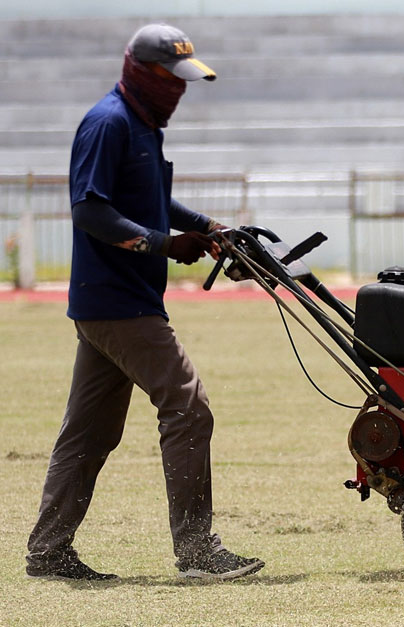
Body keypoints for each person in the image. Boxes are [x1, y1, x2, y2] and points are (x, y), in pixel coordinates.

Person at [25, 23, 263, 582]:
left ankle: (48, 553)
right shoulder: (108, 124)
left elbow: (152, 198)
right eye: (171, 80)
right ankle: (198, 553)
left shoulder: (142, 126)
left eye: (184, 83)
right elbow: (90, 209)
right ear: (141, 72)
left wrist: (207, 226)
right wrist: (162, 243)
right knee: (188, 406)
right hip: (118, 302)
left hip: (114, 301)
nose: (179, 91)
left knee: (89, 434)